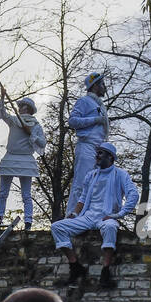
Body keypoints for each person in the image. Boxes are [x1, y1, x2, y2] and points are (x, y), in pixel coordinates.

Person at [50, 142, 138, 289]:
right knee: (57, 227)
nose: (97, 156)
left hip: (107, 217)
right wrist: (74, 214)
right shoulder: (91, 175)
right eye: (97, 153)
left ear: (110, 157)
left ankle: (105, 270)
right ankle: (75, 266)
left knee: (110, 227)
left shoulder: (120, 174)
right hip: (88, 217)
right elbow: (82, 199)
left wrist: (119, 214)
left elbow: (133, 194)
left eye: (101, 153)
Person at [0, 96, 46, 231]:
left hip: (26, 160)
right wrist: (2, 97)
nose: (19, 108)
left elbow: (42, 143)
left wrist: (32, 135)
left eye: (22, 106)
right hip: (10, 158)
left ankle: (28, 221)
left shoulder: (36, 125)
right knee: (3, 193)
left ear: (27, 108)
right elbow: (3, 114)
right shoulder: (14, 120)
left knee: (26, 195)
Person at [67, 71, 110, 210]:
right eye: (102, 84)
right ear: (95, 86)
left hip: (99, 150)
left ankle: (89, 216)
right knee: (81, 182)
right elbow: (72, 121)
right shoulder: (84, 101)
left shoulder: (100, 106)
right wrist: (95, 120)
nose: (105, 87)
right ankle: (72, 217)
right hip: (86, 146)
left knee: (96, 184)